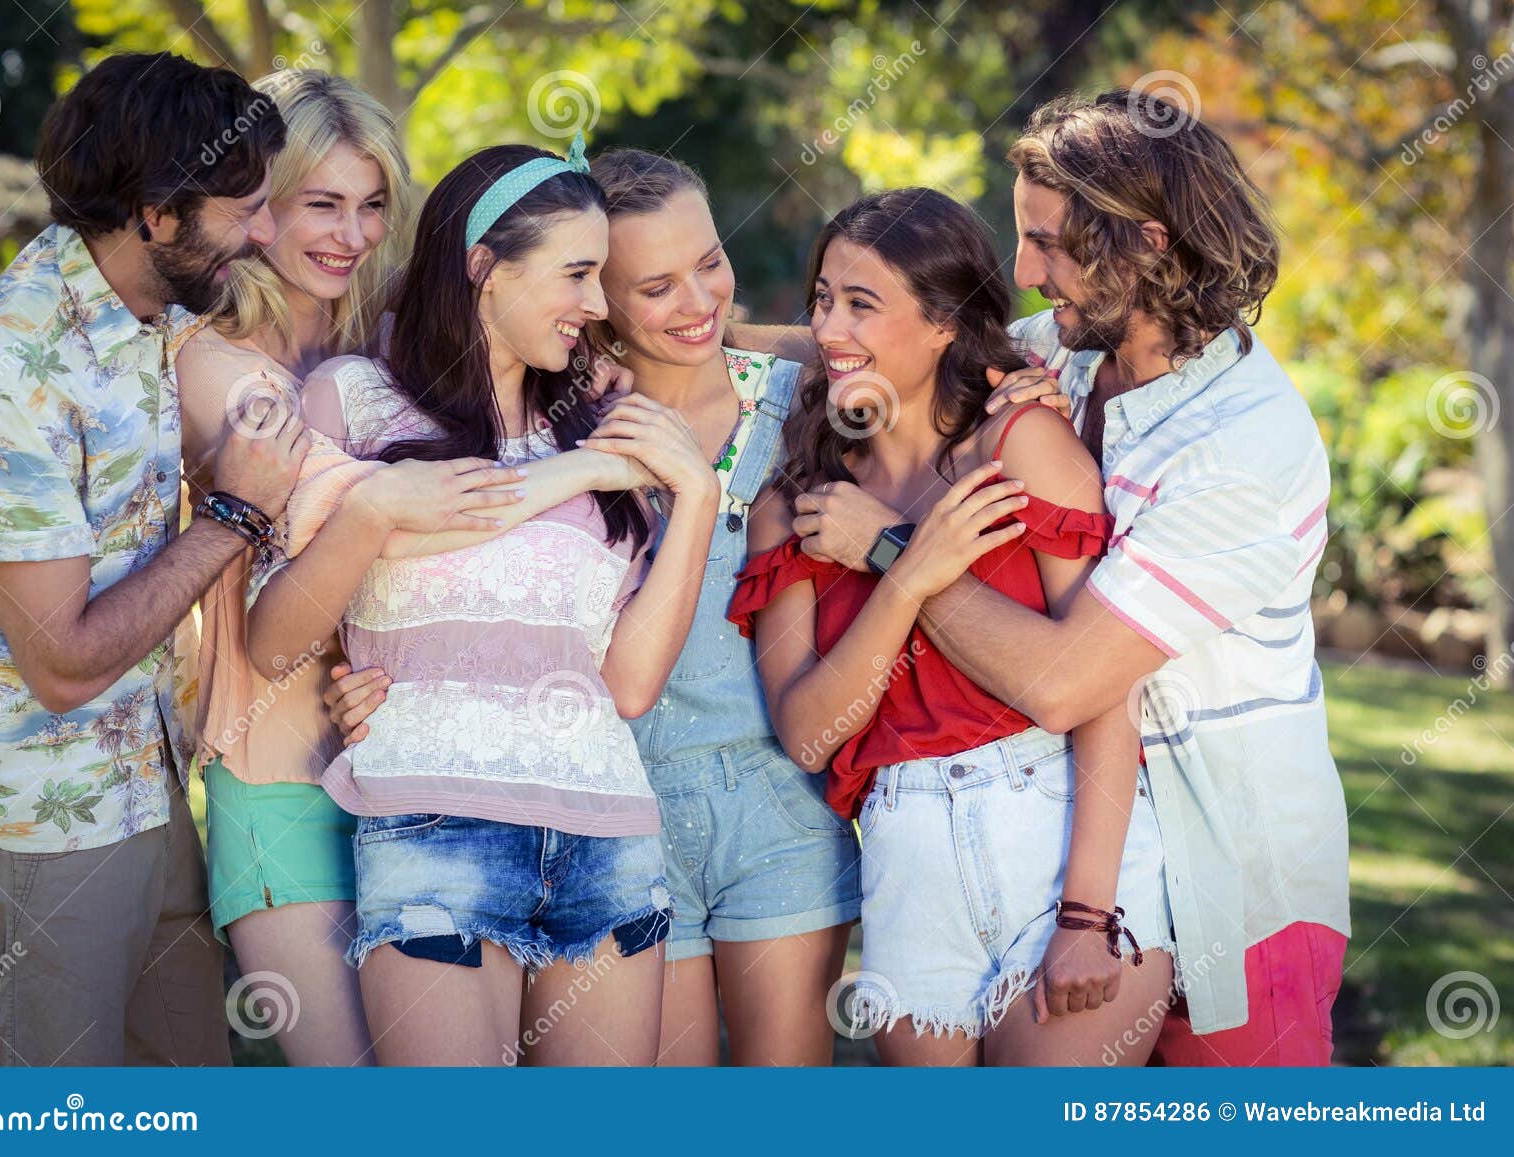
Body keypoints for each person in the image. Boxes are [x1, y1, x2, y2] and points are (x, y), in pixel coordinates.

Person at [794, 91, 1350, 1065]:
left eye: (1047, 244)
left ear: (1142, 244)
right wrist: (686, 344)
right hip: (1080, 844)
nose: (1023, 273)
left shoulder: (1243, 444)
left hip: (1233, 881)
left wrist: (891, 548)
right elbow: (888, 342)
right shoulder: (1069, 350)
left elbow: (1063, 683)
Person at [326, 149, 864, 1065]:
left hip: (770, 799)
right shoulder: (573, 416)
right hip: (624, 788)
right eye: (653, 284)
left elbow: (892, 348)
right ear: (596, 296)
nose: (698, 300)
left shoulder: (802, 400)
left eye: (711, 262)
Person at [248, 137, 715, 1065]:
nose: (598, 303)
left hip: (608, 835)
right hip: (434, 835)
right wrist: (579, 469)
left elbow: (626, 687)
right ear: (482, 268)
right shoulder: (354, 400)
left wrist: (694, 496)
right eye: (579, 273)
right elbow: (272, 639)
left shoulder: (603, 423)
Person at [729, 187, 1174, 1066]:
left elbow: (1100, 691)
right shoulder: (799, 502)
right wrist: (904, 571)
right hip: (908, 866)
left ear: (941, 326)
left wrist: (1090, 916)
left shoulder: (1020, 448)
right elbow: (811, 733)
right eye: (822, 298)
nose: (827, 327)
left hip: (1052, 841)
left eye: (861, 303)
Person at [0, 52, 300, 1066]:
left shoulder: (150, 312)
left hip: (147, 775)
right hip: (41, 812)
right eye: (243, 209)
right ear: (157, 212)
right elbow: (63, 659)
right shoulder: (11, 373)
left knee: (184, 1082)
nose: (264, 232)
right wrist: (233, 519)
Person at [172, 69, 416, 1065]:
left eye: (371, 206)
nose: (351, 234)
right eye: (323, 203)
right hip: (275, 774)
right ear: (258, 203)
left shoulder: (378, 345)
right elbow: (365, 517)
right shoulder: (212, 364)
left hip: (409, 764)